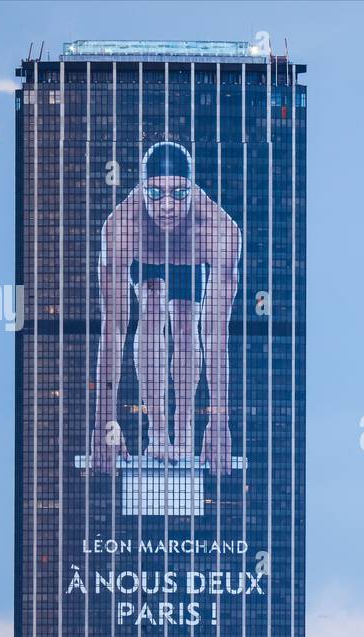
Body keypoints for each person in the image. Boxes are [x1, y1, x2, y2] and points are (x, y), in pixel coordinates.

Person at [91, 141, 241, 475]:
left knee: (188, 324)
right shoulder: (121, 230)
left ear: (192, 189)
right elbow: (113, 329)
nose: (168, 206)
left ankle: (184, 428)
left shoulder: (219, 233)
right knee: (152, 307)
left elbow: (216, 336)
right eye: (156, 194)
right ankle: (158, 430)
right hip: (148, 255)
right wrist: (105, 424)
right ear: (143, 189)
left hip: (190, 255)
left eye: (179, 193)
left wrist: (218, 424)